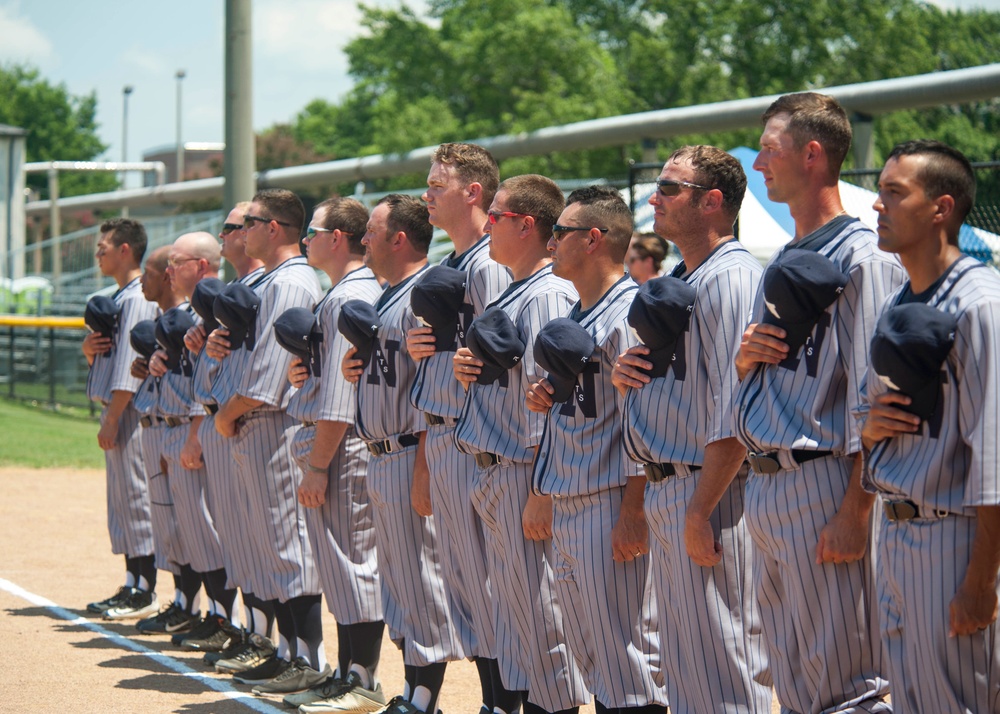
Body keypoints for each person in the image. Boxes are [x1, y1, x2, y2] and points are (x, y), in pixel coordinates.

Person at [732, 92, 903, 713]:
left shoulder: (864, 255)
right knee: (797, 683)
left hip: (827, 481)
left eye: (769, 150)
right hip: (770, 484)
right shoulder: (785, 255)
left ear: (812, 153)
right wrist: (745, 363)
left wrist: (857, 508)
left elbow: (877, 395)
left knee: (851, 684)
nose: (757, 164)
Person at [611, 146, 772, 713]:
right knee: (685, 665)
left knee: (725, 662)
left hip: (711, 490)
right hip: (671, 486)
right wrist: (628, 371)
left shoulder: (730, 278)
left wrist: (701, 510)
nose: (654, 196)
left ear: (712, 202)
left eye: (670, 187)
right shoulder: (686, 274)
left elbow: (733, 410)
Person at [862, 140, 1000, 713]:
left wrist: (980, 582)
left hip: (954, 537)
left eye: (896, 193)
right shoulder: (899, 300)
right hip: (894, 534)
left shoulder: (980, 303)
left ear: (941, 208)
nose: (878, 205)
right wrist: (868, 431)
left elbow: (996, 458)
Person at [452, 174, 589, 714]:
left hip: (524, 471)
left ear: (526, 225)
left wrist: (541, 489)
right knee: (514, 621)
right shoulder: (514, 288)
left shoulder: (548, 293)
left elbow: (551, 401)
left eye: (498, 215)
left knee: (541, 620)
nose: (487, 223)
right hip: (496, 468)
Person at [528, 186, 668, 713]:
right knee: (595, 657)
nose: (551, 241)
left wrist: (633, 512)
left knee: (627, 657)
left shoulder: (631, 312)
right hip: (571, 497)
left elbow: (644, 426)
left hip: (610, 501)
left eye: (560, 233)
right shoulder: (578, 311)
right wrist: (548, 396)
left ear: (592, 239)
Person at [341, 194, 464, 714]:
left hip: (411, 451)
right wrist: (355, 368)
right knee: (400, 586)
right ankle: (415, 694)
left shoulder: (425, 294)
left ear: (398, 238)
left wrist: (423, 465)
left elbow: (433, 390)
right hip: (380, 452)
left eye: (371, 231)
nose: (362, 240)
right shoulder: (389, 296)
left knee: (421, 581)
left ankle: (424, 697)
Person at [405, 141, 512, 714]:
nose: (427, 193)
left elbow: (499, 364)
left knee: (496, 588)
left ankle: (501, 704)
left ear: (473, 192)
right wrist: (422, 345)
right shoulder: (451, 265)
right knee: (470, 590)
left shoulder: (492, 265)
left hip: (480, 443)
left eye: (437, 185)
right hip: (446, 438)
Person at [205, 188, 326, 692]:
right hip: (256, 425)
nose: (239, 232)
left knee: (287, 546)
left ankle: (307, 659)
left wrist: (227, 412)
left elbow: (272, 376)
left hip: (276, 424)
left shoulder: (291, 281)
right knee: (267, 546)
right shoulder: (271, 280)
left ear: (272, 227)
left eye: (248, 222)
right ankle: (286, 653)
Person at [277, 197, 386, 711]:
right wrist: (305, 373)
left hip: (343, 451)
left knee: (353, 566)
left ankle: (361, 680)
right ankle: (346, 673)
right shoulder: (342, 292)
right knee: (341, 568)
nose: (305, 241)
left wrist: (318, 465)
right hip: (338, 446)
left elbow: (342, 403)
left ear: (337, 237)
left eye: (313, 232)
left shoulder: (351, 294)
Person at [142, 232, 240, 653]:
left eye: (176, 261)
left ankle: (225, 618)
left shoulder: (220, 308)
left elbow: (218, 382)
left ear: (201, 266)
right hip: (175, 425)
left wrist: (198, 433)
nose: (168, 271)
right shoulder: (187, 315)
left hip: (197, 427)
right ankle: (198, 608)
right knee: (184, 530)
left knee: (208, 532)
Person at [184, 204, 271, 671]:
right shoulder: (237, 290)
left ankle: (266, 639)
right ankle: (250, 632)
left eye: (231, 227)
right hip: (225, 420)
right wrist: (208, 340)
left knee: (261, 541)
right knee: (240, 539)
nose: (224, 235)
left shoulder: (270, 285)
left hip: (248, 421)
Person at [83, 218, 160, 619]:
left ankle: (144, 588)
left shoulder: (136, 298)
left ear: (125, 250)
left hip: (129, 412)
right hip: (120, 411)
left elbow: (131, 366)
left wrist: (111, 418)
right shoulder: (121, 295)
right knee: (123, 504)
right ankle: (132, 583)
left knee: (136, 500)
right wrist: (88, 350)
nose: (98, 254)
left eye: (104, 247)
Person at [125, 246, 191, 632]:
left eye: (148, 273)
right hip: (158, 425)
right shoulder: (159, 317)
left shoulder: (187, 319)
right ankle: (183, 601)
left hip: (177, 428)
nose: (142, 280)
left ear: (167, 276)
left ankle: (200, 607)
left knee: (191, 529)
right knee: (168, 526)